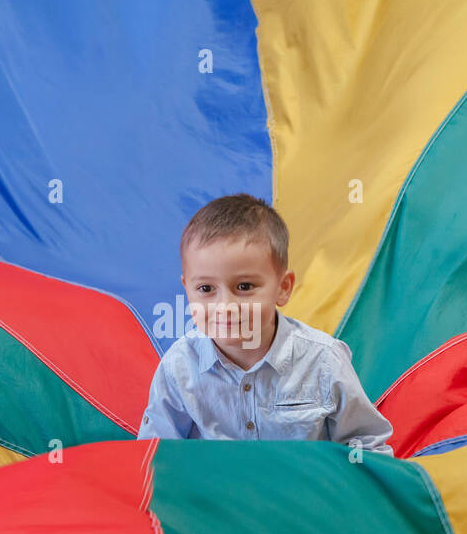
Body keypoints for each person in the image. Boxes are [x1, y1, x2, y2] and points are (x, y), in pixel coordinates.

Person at [137, 193, 394, 455]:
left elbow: (366, 447)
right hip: (213, 494)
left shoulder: (324, 361)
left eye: (244, 286)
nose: (225, 305)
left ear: (283, 288)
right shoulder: (179, 367)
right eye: (205, 288)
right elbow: (153, 456)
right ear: (187, 288)